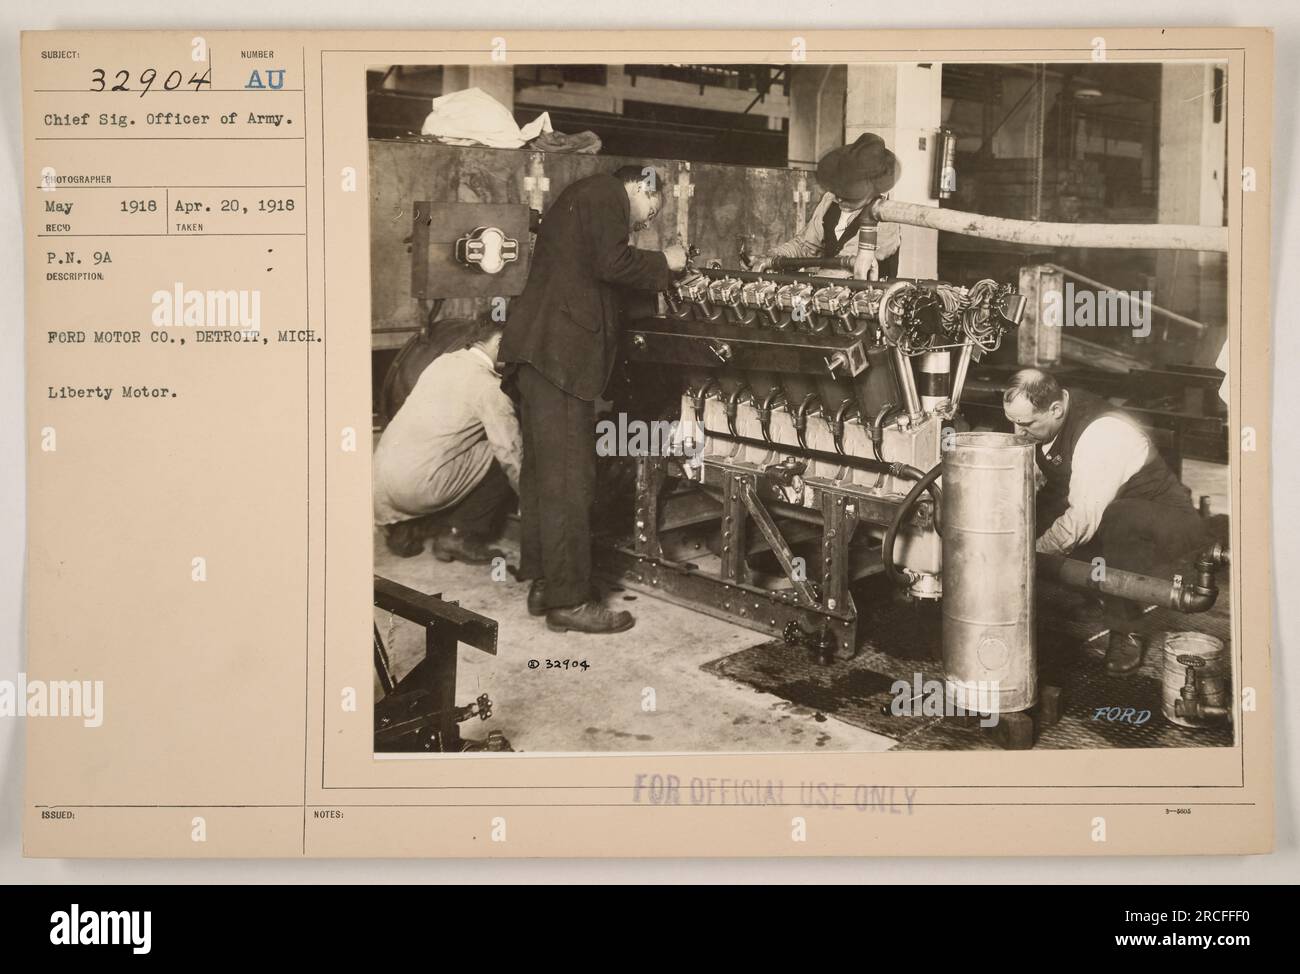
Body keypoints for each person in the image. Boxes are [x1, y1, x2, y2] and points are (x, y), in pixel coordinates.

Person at [501, 165, 687, 634]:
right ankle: (570, 600)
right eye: (651, 211)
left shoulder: (582, 197)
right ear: (643, 186)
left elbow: (595, 270)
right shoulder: (606, 194)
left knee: (545, 476)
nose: (644, 222)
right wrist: (666, 262)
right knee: (570, 481)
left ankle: (546, 582)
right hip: (560, 358)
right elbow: (612, 263)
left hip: (538, 353)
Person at [1002, 369, 1210, 675]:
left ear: (1056, 409)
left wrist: (1028, 558)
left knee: (1116, 521)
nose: (1018, 432)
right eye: (1013, 421)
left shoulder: (1101, 433)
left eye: (1026, 424)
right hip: (1106, 505)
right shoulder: (1050, 417)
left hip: (1167, 521)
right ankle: (1095, 592)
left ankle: (1127, 629)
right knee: (1035, 513)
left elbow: (1083, 518)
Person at [373, 314, 521, 564]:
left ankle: (404, 529)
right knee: (505, 451)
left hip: (380, 485)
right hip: (417, 489)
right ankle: (457, 535)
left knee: (438, 444)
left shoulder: (442, 362)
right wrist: (530, 500)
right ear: (499, 342)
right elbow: (510, 454)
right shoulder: (489, 387)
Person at [753, 133, 903, 279]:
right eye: (839, 189)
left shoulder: (886, 218)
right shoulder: (830, 200)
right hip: (828, 288)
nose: (839, 197)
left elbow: (847, 264)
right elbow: (805, 245)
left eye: (849, 192)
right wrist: (771, 258)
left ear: (872, 189)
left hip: (867, 294)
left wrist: (813, 284)